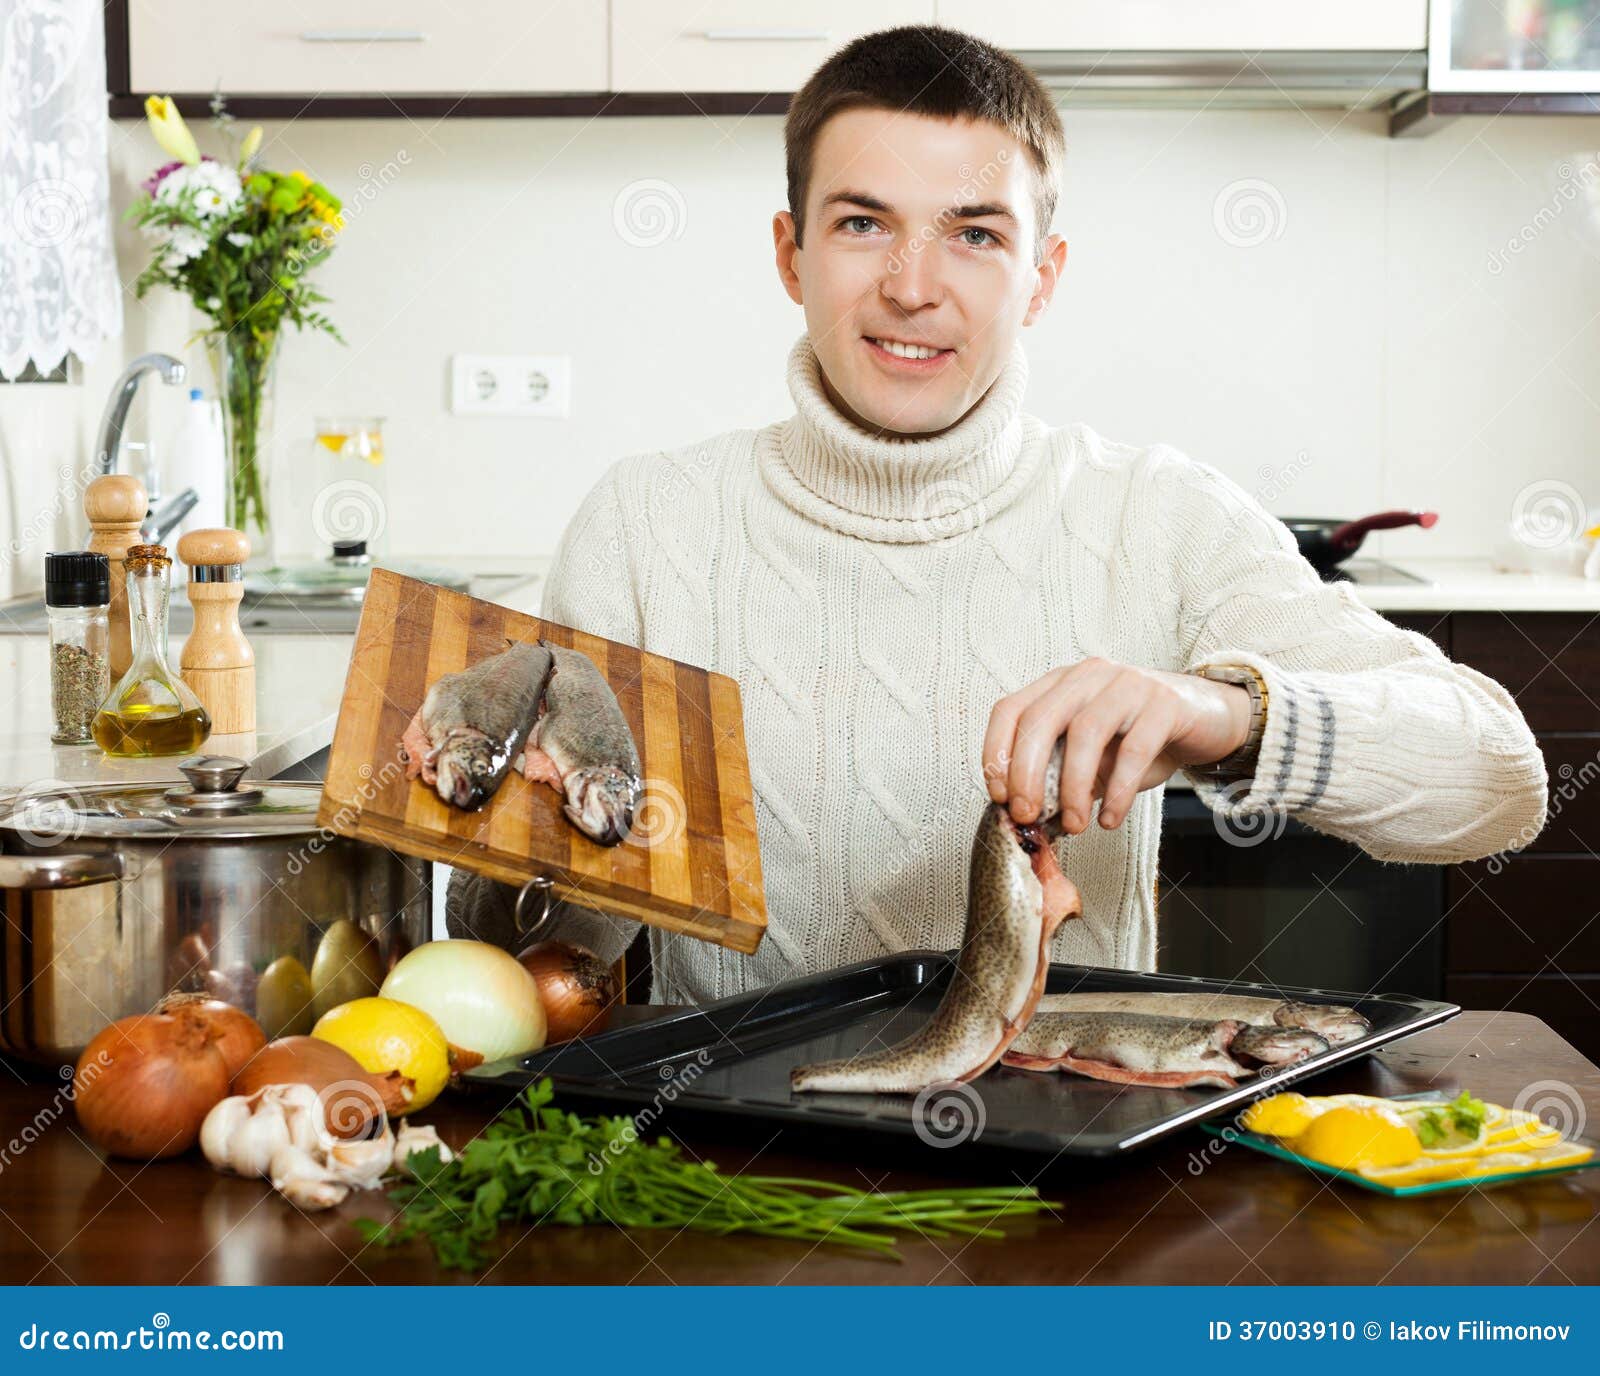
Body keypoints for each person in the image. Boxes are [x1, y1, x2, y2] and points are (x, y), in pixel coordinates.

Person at [448, 25, 1546, 1004]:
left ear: (1041, 276)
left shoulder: (1156, 513)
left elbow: (1499, 780)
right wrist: (515, 816)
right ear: (790, 253)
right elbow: (535, 962)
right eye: (864, 223)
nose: (913, 285)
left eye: (974, 234)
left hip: (1067, 1162)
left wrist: (1228, 711)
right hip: (733, 1173)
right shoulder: (647, 524)